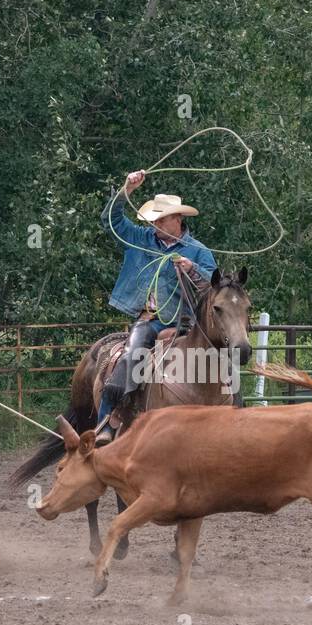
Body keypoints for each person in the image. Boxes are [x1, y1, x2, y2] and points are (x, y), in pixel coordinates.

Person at [94, 171, 217, 445]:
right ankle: (106, 424)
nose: (157, 225)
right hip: (149, 320)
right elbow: (110, 221)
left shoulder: (198, 252)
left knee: (221, 366)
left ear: (178, 219)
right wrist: (126, 189)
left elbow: (214, 287)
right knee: (128, 357)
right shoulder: (139, 238)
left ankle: (233, 421)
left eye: (163, 219)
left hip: (186, 323)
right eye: (155, 220)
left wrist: (192, 269)